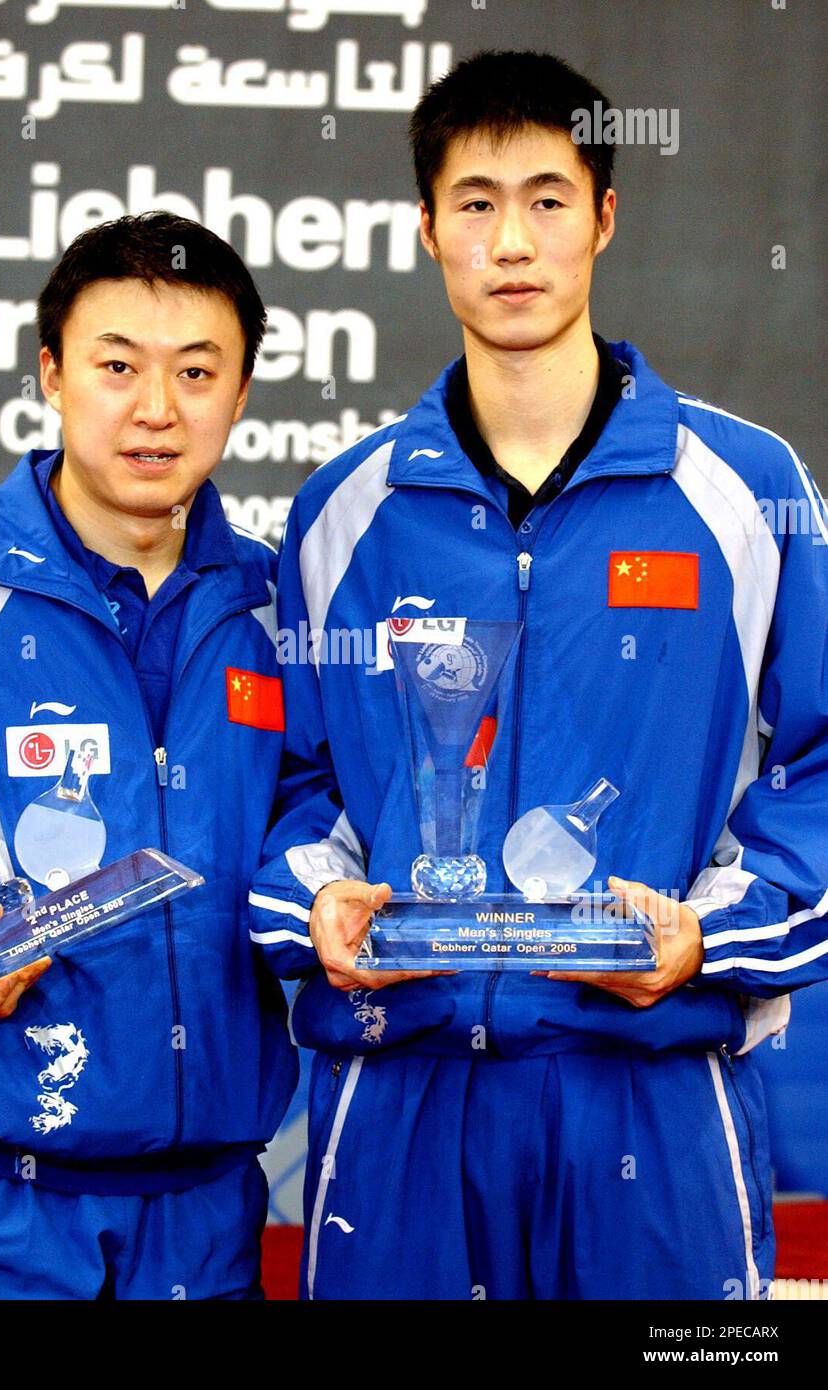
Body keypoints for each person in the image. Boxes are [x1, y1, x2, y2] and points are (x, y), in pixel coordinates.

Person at [250, 50, 828, 1299]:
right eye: (475, 202)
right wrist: (319, 902)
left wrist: (711, 932)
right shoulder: (342, 512)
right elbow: (291, 783)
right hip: (399, 1094)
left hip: (655, 1093)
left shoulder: (744, 492)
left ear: (605, 217)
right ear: (425, 228)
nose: (512, 239)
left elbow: (824, 762)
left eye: (548, 197)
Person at [0, 212, 297, 1300]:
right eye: (117, 364)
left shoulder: (281, 610)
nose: (154, 408)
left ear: (240, 395)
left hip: (207, 1220)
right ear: (50, 372)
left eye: (196, 371)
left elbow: (327, 825)